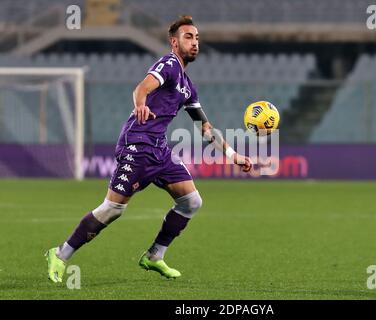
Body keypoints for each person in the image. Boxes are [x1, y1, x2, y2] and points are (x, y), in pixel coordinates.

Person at [45, 15, 252, 282]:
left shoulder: (188, 87)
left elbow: (206, 128)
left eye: (197, 38)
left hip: (159, 150)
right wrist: (141, 103)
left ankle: (155, 255)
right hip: (137, 144)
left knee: (191, 201)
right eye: (189, 37)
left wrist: (233, 156)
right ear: (174, 42)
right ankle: (60, 254)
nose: (195, 42)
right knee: (112, 210)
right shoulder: (167, 64)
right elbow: (141, 88)